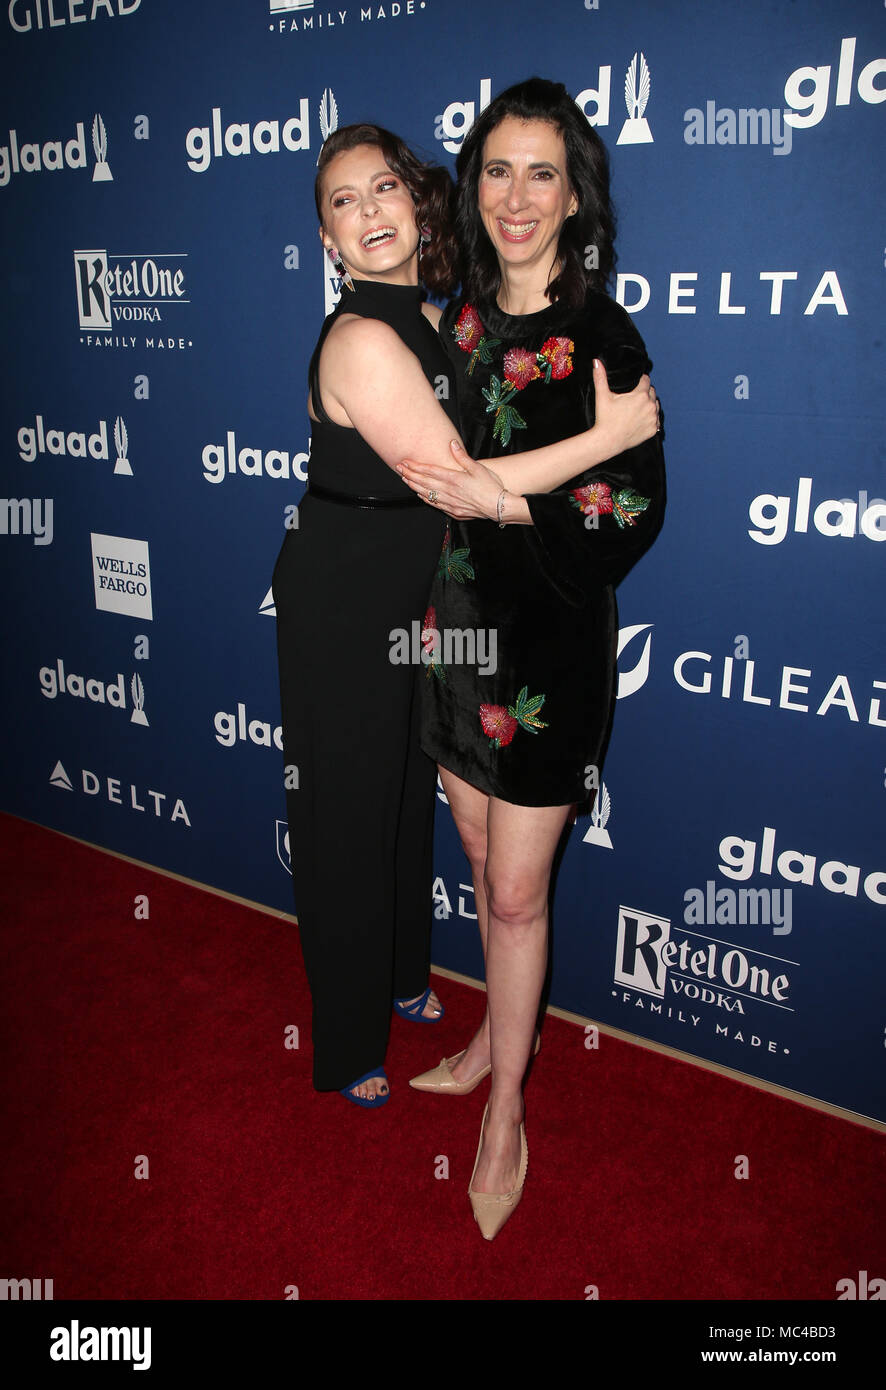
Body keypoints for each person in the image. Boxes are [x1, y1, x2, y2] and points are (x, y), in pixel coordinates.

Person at [271, 122, 659, 1110]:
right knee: (350, 811)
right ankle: (350, 1038)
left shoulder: (440, 318)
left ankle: (404, 974)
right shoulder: (362, 335)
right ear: (323, 238)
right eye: (342, 204)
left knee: (404, 796)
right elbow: (454, 483)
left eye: (383, 191)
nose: (367, 215)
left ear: (417, 203)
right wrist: (605, 439)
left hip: (425, 597)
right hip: (349, 596)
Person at [400, 79, 666, 1236]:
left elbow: (627, 515)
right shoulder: (453, 318)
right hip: (454, 629)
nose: (515, 196)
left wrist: (499, 496)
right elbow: (427, 481)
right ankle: (491, 1032)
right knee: (472, 851)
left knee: (516, 895)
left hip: (548, 652)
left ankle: (506, 1106)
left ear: (575, 195)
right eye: (496, 170)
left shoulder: (601, 335)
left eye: (540, 172)